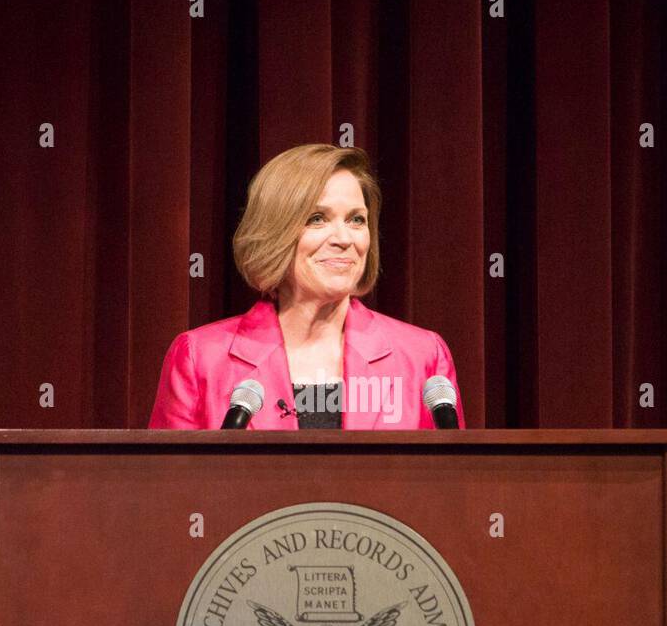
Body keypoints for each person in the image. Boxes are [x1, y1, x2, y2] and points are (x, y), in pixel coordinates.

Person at [148, 143, 466, 430]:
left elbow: (455, 487)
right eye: (317, 218)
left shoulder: (422, 356)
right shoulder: (201, 358)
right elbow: (169, 489)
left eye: (356, 220)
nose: (344, 239)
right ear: (275, 232)